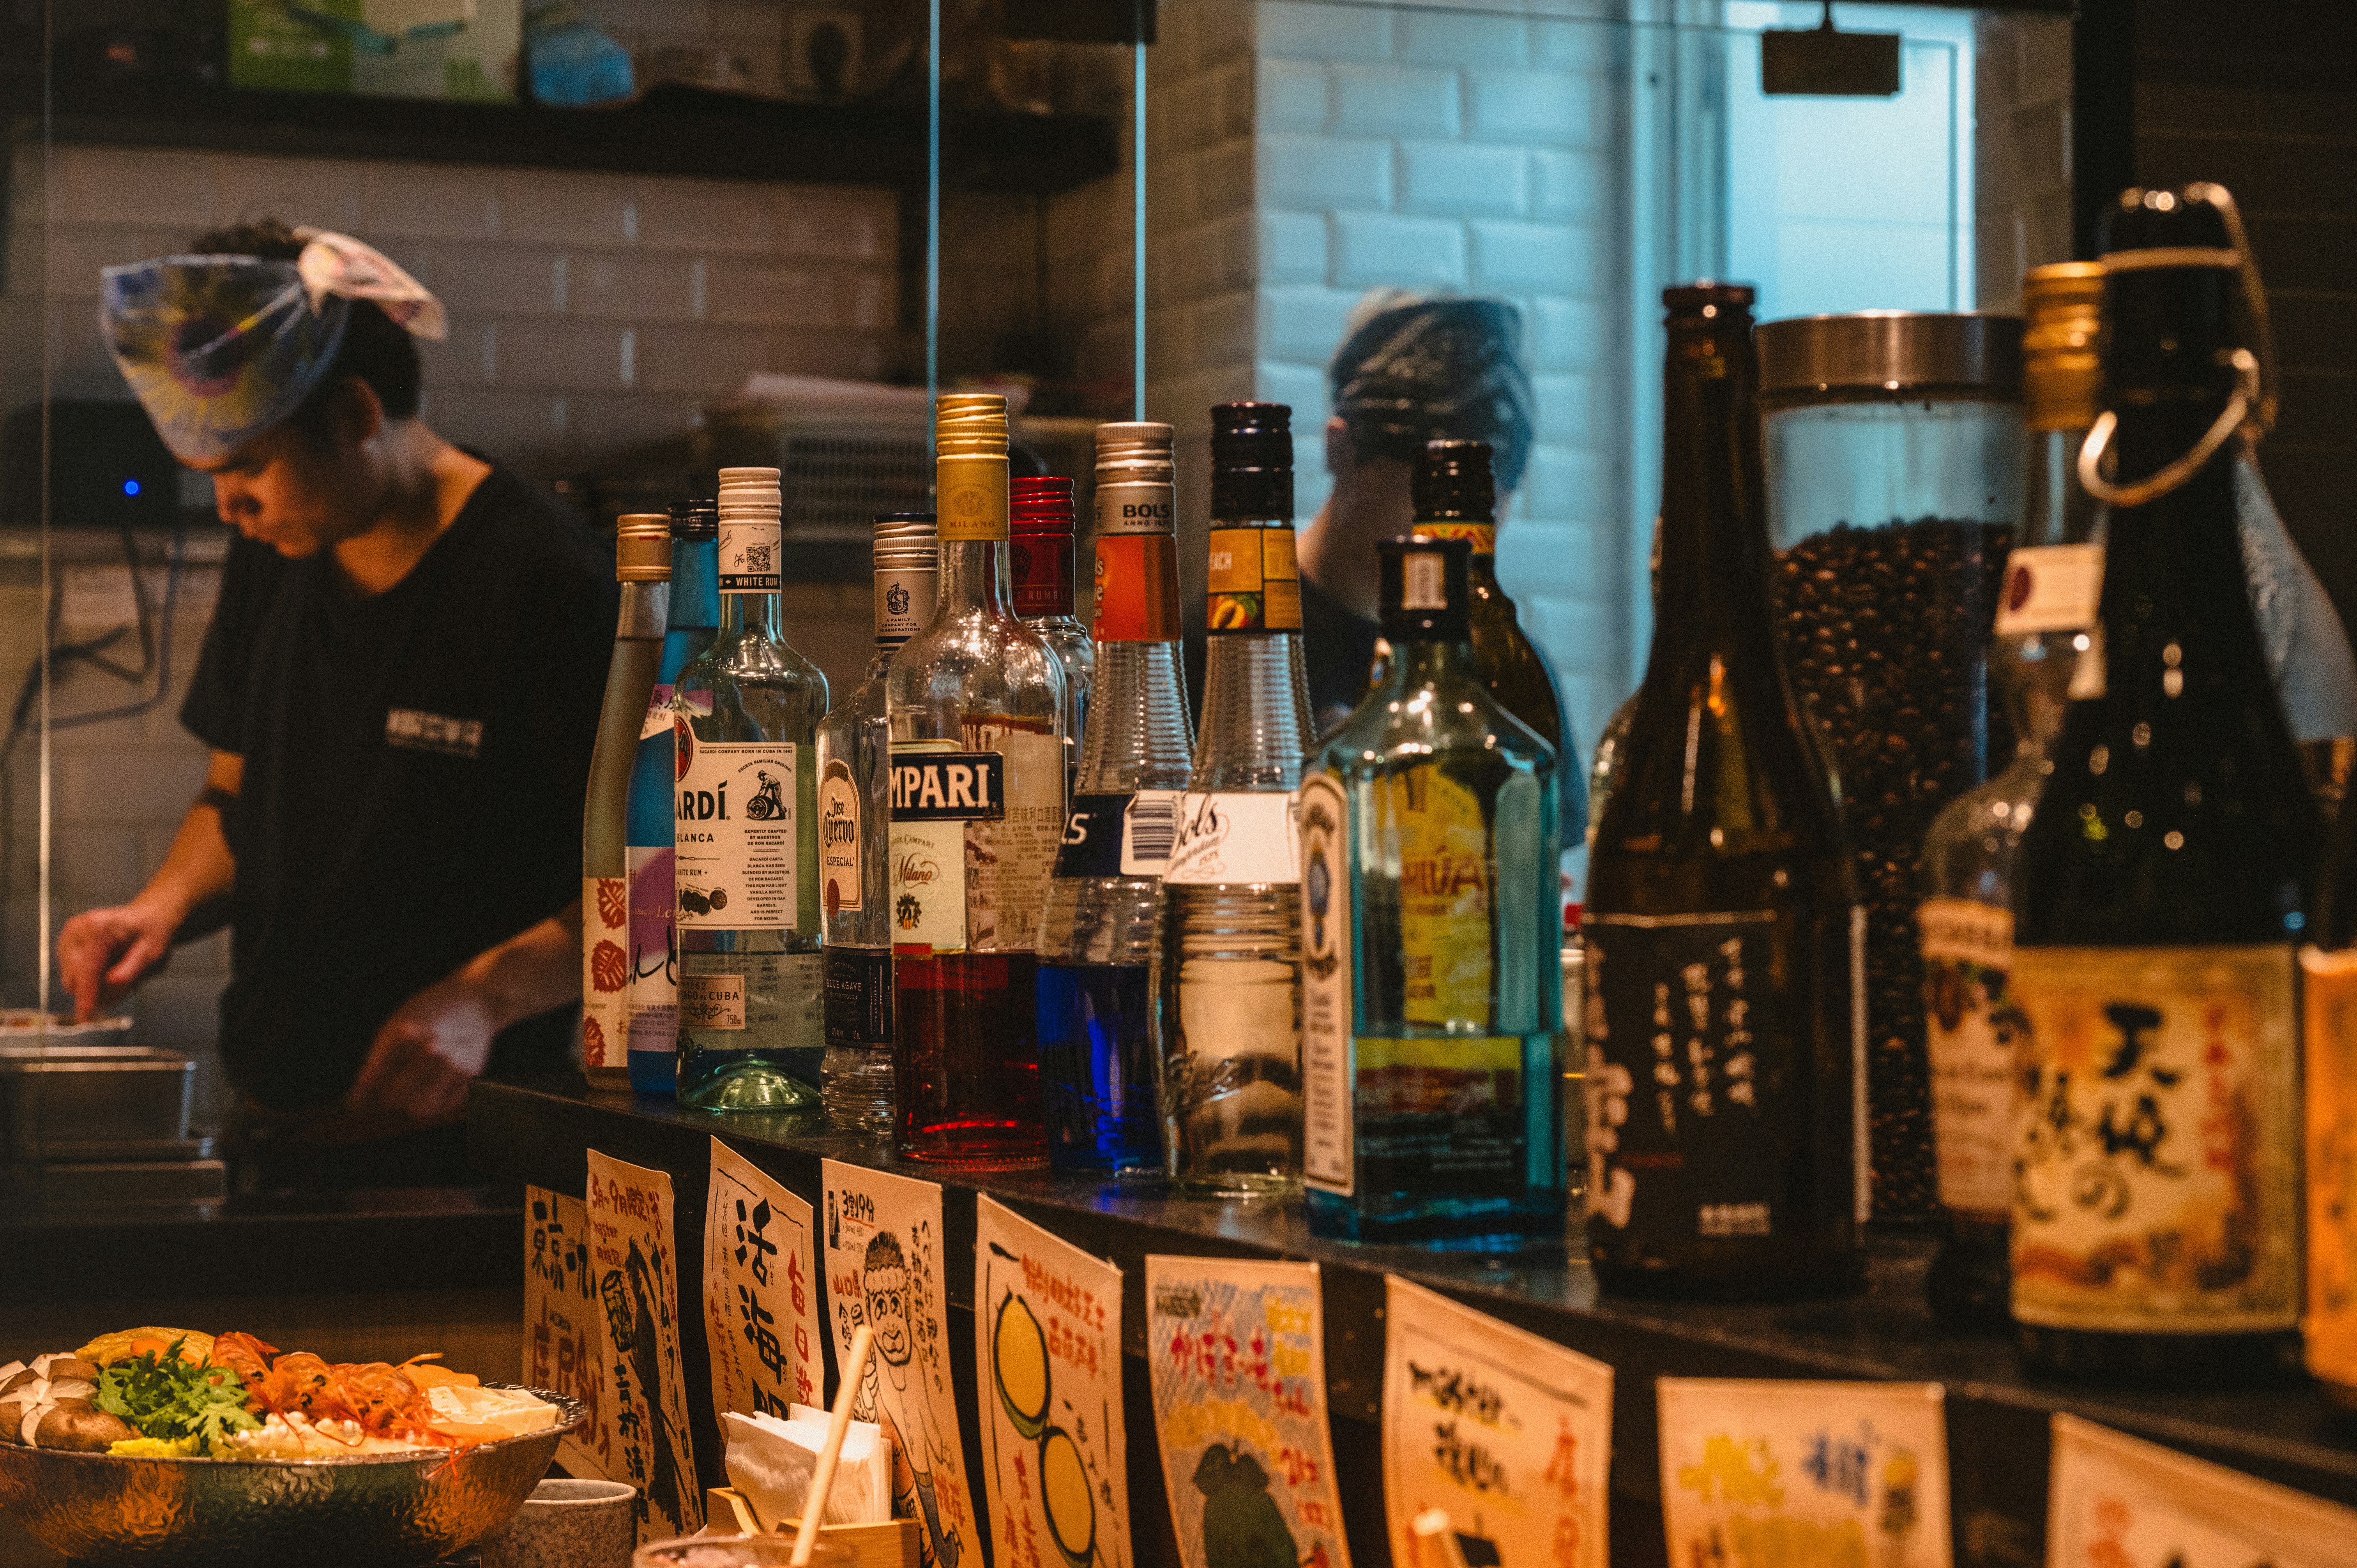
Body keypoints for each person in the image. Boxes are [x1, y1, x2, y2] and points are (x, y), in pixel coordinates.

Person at [56, 220, 615, 1188]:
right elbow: (236, 792)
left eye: (249, 469)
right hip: (272, 1133)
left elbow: (661, 888)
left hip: (463, 1166)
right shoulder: (282, 545)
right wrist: (159, 907)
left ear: (355, 412)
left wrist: (482, 1001)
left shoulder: (548, 584)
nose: (230, 508)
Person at [1294, 289, 1587, 827]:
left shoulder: (1509, 667)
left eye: (1485, 517)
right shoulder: (1234, 646)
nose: (1457, 550)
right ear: (1341, 450)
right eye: (1434, 504)